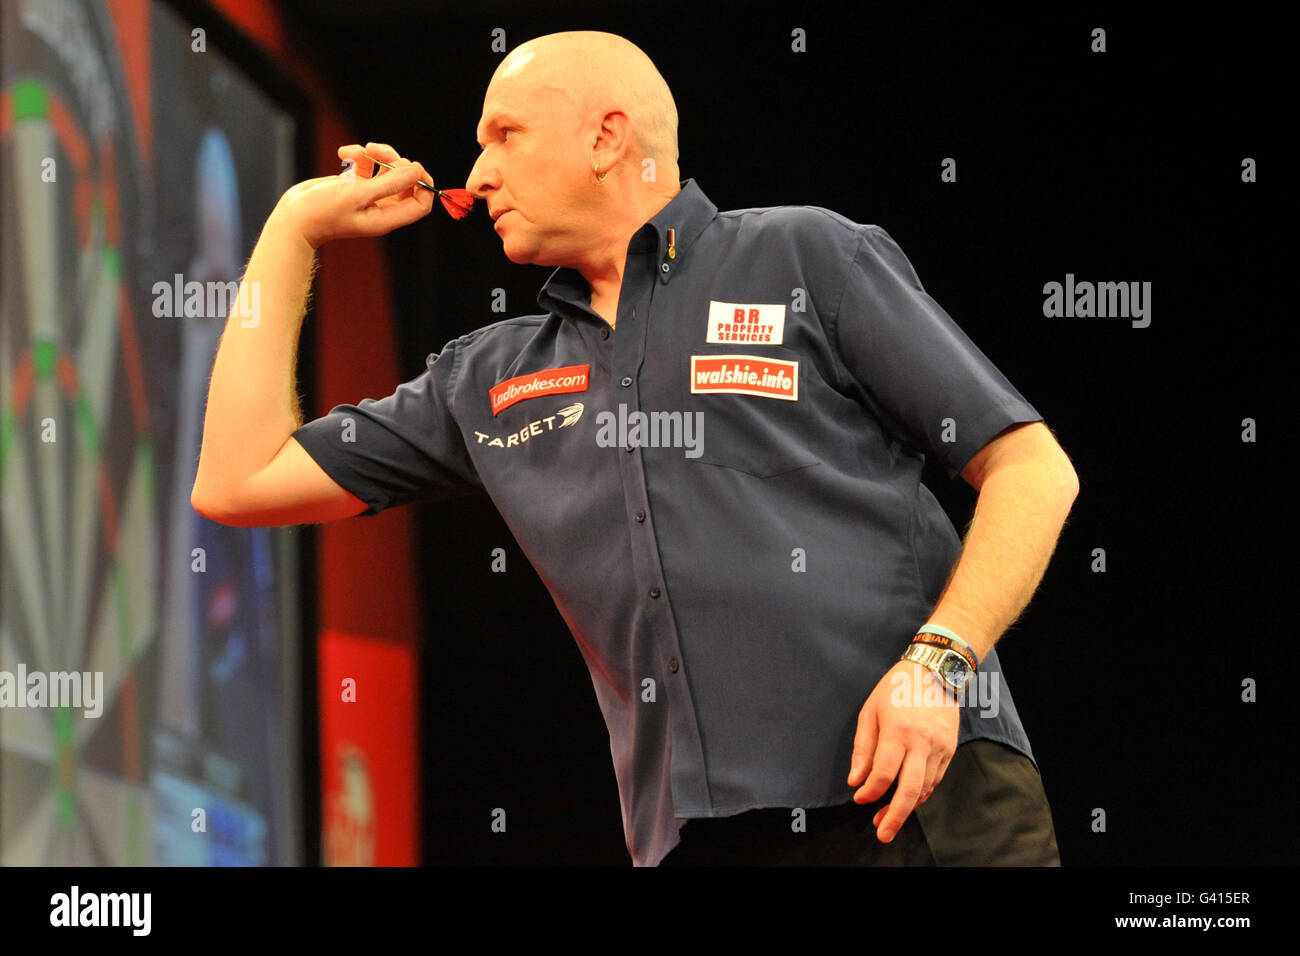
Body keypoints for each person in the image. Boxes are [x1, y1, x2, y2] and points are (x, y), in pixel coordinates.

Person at [192, 30, 1079, 866]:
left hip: (920, 797)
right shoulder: (488, 377)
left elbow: (1032, 464)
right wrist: (293, 228)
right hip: (700, 845)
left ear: (608, 138)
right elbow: (238, 479)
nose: (477, 172)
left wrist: (939, 663)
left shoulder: (805, 257)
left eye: (504, 135)